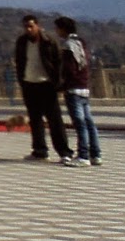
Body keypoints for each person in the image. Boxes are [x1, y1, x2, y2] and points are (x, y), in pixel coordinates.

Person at [14, 14, 74, 164]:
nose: (28, 29)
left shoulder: (49, 41)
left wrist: (58, 82)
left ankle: (64, 152)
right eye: (26, 26)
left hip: (46, 84)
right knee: (35, 120)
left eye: (31, 26)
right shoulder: (21, 42)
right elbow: (19, 61)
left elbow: (58, 62)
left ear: (37, 26)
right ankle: (40, 151)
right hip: (29, 83)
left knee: (55, 120)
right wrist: (22, 81)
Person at [55, 17, 101, 167]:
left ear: (62, 29)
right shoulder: (82, 43)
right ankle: (96, 154)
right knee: (89, 122)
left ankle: (83, 156)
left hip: (73, 88)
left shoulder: (68, 46)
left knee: (80, 123)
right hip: (84, 87)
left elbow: (69, 69)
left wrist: (62, 86)